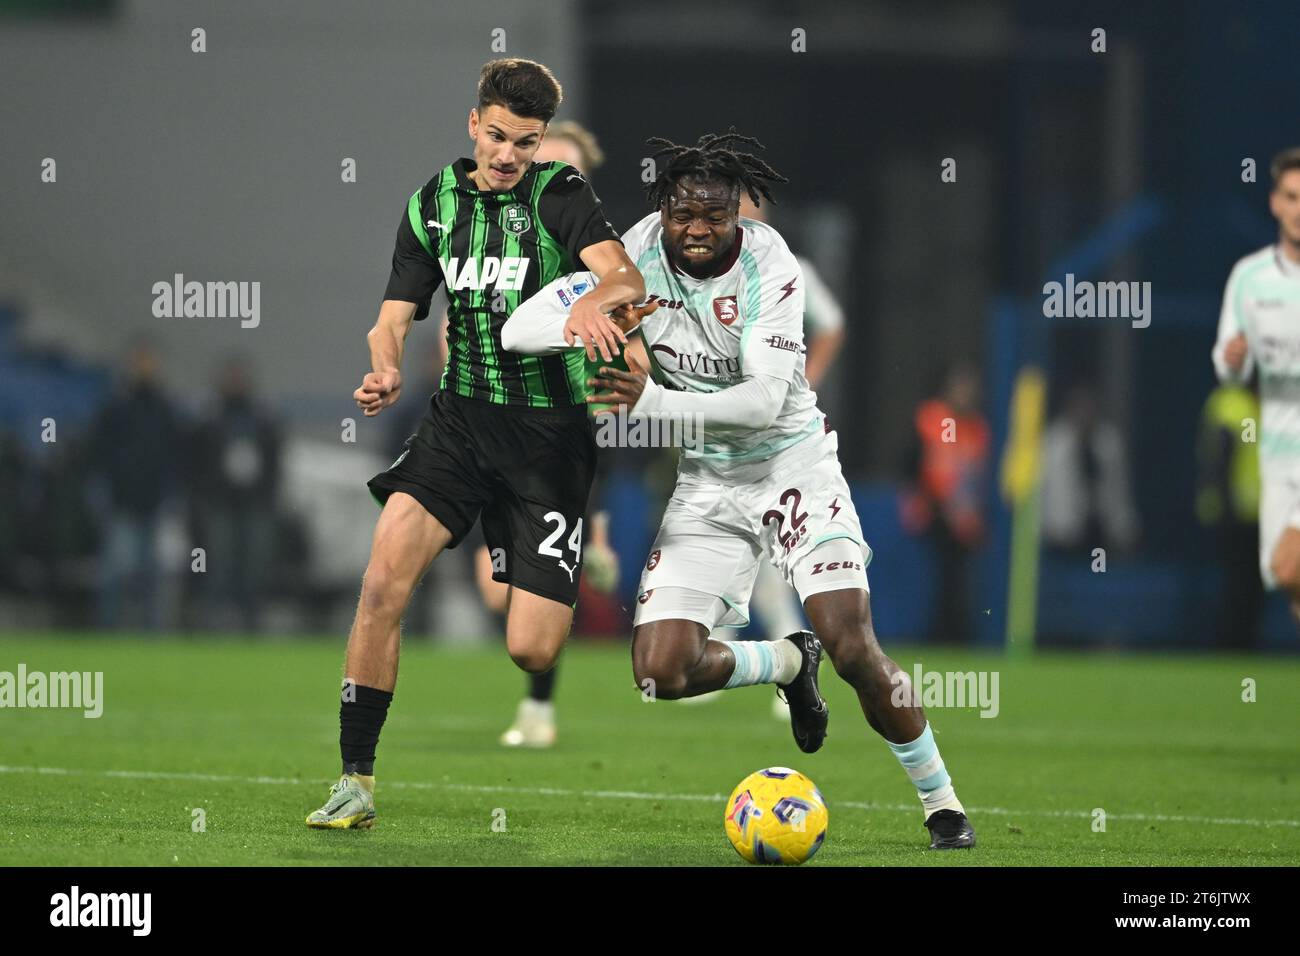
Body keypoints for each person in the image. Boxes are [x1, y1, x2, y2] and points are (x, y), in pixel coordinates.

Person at [503, 130, 976, 849]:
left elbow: (760, 401)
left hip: (791, 465)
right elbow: (517, 330)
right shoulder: (632, 258)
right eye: (682, 216)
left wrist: (651, 404)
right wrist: (590, 318)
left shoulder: (769, 262)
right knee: (660, 673)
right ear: (662, 208)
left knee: (851, 645)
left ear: (738, 213)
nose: (696, 231)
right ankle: (786, 661)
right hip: (708, 478)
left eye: (713, 217)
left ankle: (941, 800)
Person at [306, 58, 645, 829]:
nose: (507, 156)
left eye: (524, 143)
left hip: (550, 441)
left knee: (531, 648)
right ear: (473, 123)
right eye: (497, 137)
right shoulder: (433, 203)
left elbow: (625, 283)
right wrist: (386, 367)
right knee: (383, 577)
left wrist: (596, 305)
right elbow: (393, 315)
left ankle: (555, 570)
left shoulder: (560, 195)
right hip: (459, 424)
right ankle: (355, 779)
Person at [493, 120, 619, 749]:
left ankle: (538, 709)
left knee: (535, 595)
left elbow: (623, 376)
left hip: (566, 430)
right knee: (498, 599)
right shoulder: (498, 245)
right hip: (490, 428)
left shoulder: (601, 267)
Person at [1213, 146, 1300, 631]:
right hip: (1274, 458)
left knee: (1289, 565)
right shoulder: (1249, 277)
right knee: (1290, 584)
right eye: (1291, 196)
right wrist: (1232, 358)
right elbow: (1227, 366)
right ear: (1275, 203)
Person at [899, 362, 990, 644]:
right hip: (933, 516)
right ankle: (932, 635)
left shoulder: (976, 428)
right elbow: (915, 465)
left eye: (970, 388)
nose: (966, 394)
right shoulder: (932, 418)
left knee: (958, 582)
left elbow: (978, 477)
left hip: (964, 521)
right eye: (960, 387)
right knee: (933, 581)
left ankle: (955, 636)